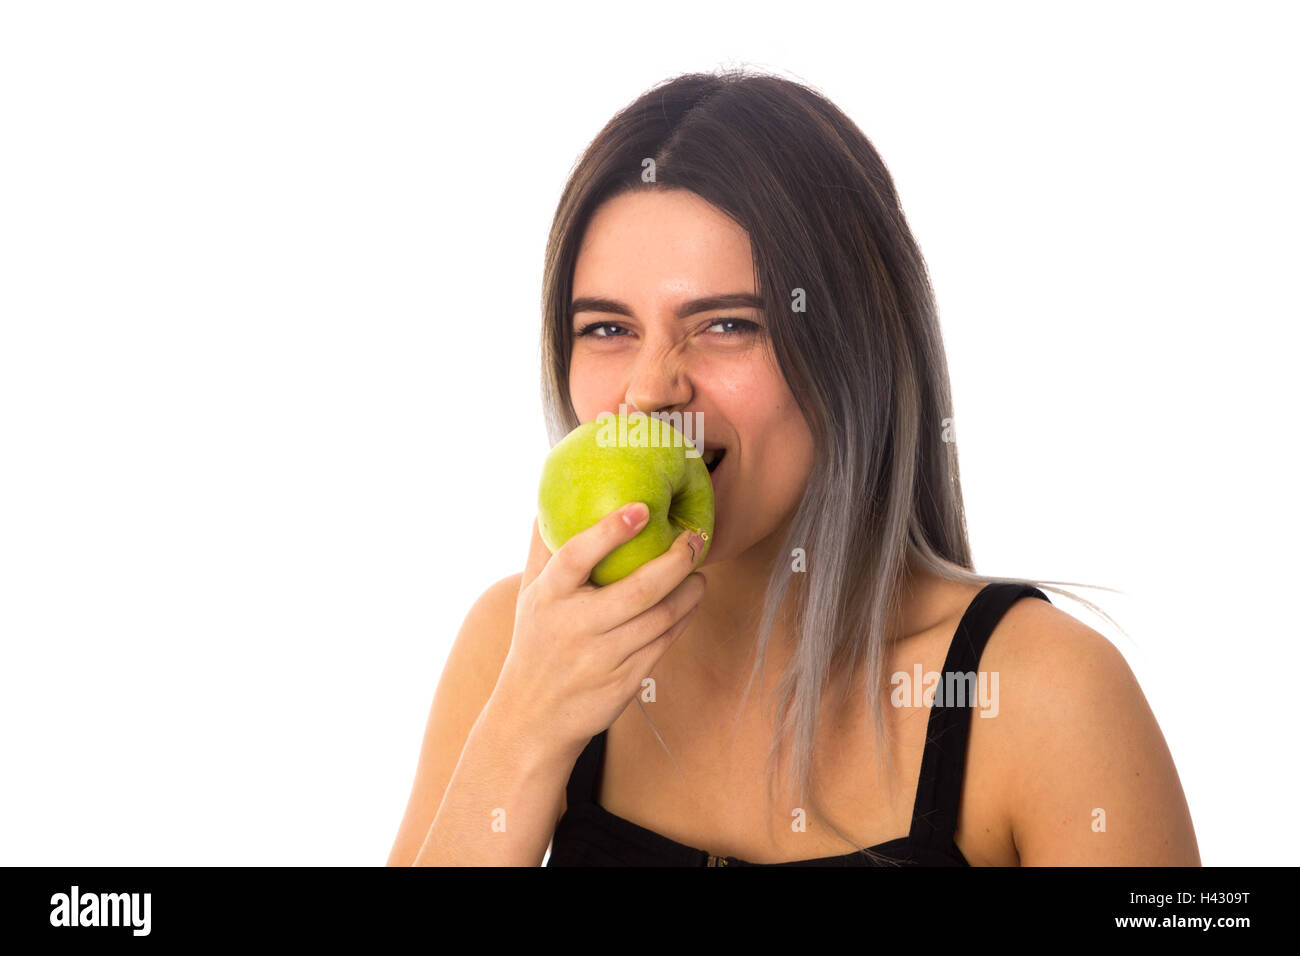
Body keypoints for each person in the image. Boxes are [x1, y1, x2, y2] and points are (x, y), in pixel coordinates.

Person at [387, 69, 1200, 866]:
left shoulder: (1039, 693)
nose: (648, 391)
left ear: (853, 351)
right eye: (606, 329)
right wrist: (525, 731)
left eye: (728, 325)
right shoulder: (516, 652)